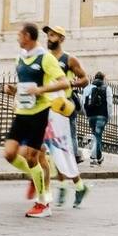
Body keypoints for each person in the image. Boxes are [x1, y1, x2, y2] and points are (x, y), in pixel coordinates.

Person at [3, 23, 71, 218]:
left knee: (33, 157)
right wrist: (14, 90)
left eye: (19, 35)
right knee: (9, 154)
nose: (17, 38)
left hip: (39, 112)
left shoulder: (46, 58)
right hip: (22, 112)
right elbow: (25, 86)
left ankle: (43, 203)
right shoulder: (19, 58)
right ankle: (35, 176)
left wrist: (41, 90)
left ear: (27, 37)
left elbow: (64, 82)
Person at [44, 25, 88, 167]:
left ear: (61, 39)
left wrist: (71, 83)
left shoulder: (69, 59)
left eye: (52, 35)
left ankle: (73, 159)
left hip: (65, 102)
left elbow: (85, 79)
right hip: (47, 102)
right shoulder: (44, 58)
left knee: (69, 132)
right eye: (48, 35)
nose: (48, 38)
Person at [82, 71, 114, 166]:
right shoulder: (107, 88)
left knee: (95, 135)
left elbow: (83, 103)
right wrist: (109, 116)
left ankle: (99, 157)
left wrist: (87, 114)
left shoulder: (87, 88)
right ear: (103, 79)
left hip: (91, 116)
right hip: (102, 115)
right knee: (97, 136)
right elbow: (109, 104)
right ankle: (94, 158)